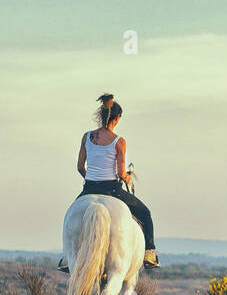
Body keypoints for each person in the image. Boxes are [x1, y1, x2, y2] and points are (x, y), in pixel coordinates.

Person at [58, 94, 159, 271]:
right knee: (145, 214)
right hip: (112, 190)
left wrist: (91, 178)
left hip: (89, 188)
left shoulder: (86, 137)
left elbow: (80, 167)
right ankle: (149, 253)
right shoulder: (119, 141)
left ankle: (67, 257)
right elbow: (120, 173)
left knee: (70, 218)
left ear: (101, 116)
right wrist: (128, 176)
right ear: (117, 118)